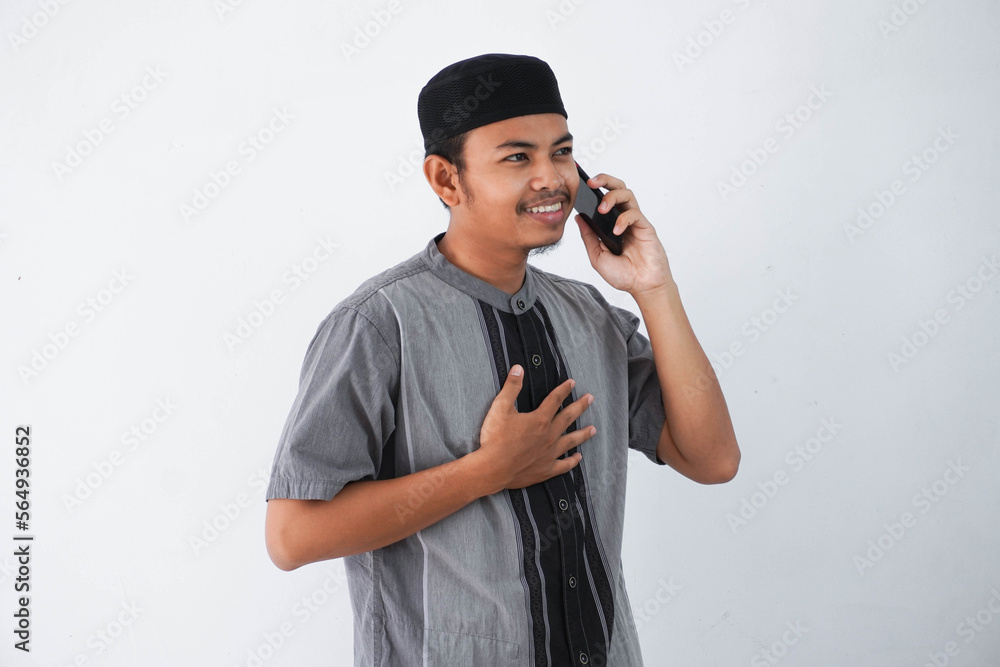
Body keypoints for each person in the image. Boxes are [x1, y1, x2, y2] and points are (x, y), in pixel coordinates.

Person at [264, 53, 740, 666]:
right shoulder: (379, 326)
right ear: (446, 180)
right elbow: (291, 535)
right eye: (517, 157)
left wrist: (654, 287)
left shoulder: (591, 315)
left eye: (562, 153)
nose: (551, 178)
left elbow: (711, 459)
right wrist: (486, 471)